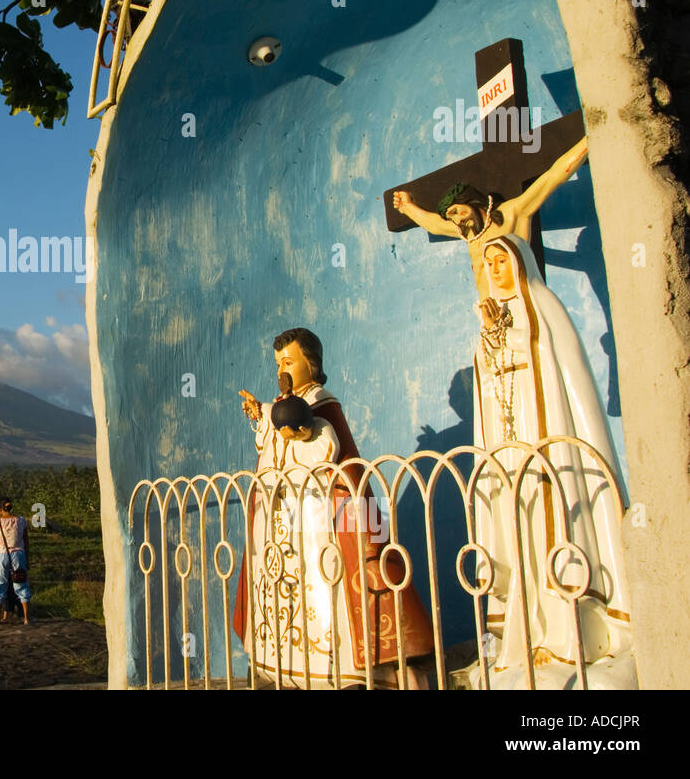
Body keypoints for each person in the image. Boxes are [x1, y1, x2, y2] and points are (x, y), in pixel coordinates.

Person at [465, 235, 635, 688]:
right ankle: (530, 632)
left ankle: (572, 633)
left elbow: (559, 371)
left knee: (558, 525)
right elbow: (488, 382)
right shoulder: (488, 320)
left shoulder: (543, 305)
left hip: (550, 445)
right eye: (490, 263)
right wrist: (492, 338)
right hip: (510, 447)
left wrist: (511, 333)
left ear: (520, 261)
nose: (495, 270)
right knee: (520, 531)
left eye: (503, 260)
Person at [235, 328, 435, 688]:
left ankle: (341, 669)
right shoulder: (289, 401)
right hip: (281, 522)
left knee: (326, 586)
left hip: (318, 521)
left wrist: (303, 433)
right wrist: (261, 414)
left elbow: (331, 453)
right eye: (278, 362)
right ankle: (277, 663)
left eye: (289, 361)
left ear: (312, 364)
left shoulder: (323, 405)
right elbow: (275, 429)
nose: (282, 368)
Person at [390, 137, 589, 299]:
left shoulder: (512, 213)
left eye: (458, 211)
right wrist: (407, 207)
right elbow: (434, 225)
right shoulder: (468, 232)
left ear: (472, 201)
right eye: (452, 216)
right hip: (489, 318)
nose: (458, 219)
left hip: (518, 303)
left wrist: (587, 143)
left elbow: (552, 178)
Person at [0, 497, 31, 625]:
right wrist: (27, 558)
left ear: (0, 510)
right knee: (21, 583)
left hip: (2, 554)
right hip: (19, 554)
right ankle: (26, 618)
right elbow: (26, 541)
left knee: (0, 584)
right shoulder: (21, 521)